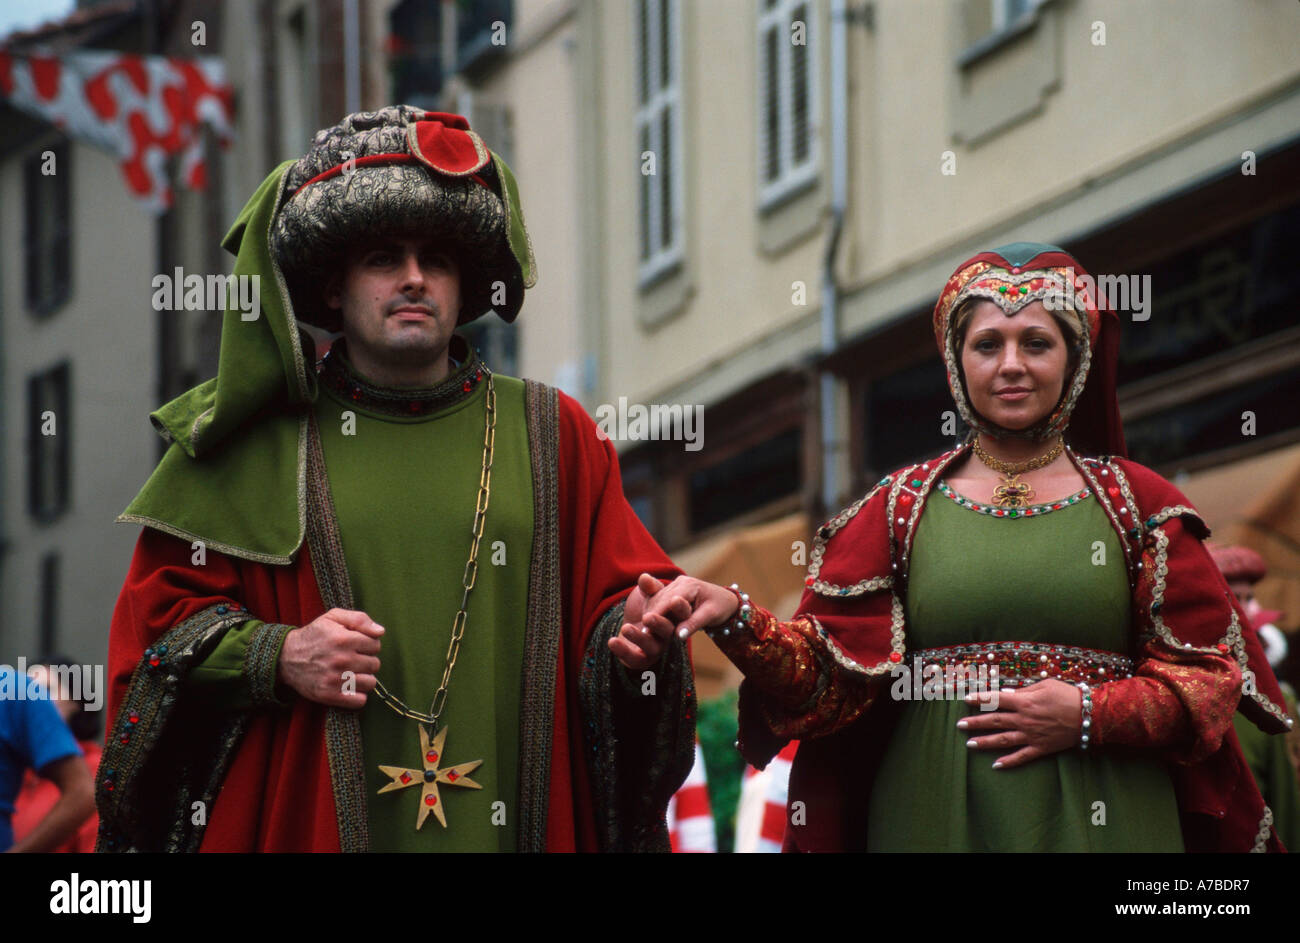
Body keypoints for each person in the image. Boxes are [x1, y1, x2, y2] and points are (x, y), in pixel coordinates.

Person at [100, 107, 694, 852]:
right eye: (385, 257)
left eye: (436, 259)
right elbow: (153, 639)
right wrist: (277, 656)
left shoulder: (555, 432)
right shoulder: (251, 439)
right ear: (332, 288)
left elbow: (620, 606)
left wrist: (635, 635)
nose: (414, 278)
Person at [622, 242, 1292, 852]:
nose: (1011, 365)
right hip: (931, 817)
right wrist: (734, 614)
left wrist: (1089, 714)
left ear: (1075, 359)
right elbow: (827, 685)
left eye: (1037, 342)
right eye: (986, 344)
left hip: (1111, 815)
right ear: (955, 360)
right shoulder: (897, 507)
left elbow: (1207, 684)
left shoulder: (1138, 505)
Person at [1209, 544, 1300, 850]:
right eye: (1235, 597)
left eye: (1249, 598)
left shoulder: (1274, 698)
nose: (1246, 609)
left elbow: (1287, 802)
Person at [11, 656, 103, 852]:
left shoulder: (97, 771)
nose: (32, 704)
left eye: (43, 691)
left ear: (76, 701)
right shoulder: (15, 768)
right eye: (25, 695)